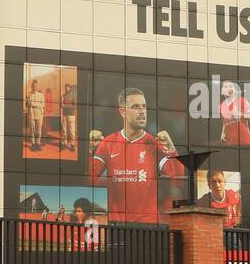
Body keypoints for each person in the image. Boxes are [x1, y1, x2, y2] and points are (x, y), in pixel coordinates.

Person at [90, 87, 185, 224]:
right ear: (122, 111)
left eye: (144, 106)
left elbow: (178, 180)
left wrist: (171, 150)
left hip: (147, 224)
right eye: (136, 107)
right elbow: (89, 181)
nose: (142, 112)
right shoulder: (108, 142)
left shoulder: (154, 143)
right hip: (116, 224)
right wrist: (88, 151)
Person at [219, 80, 250, 146]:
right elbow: (225, 122)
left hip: (246, 143)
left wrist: (241, 115)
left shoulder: (242, 101)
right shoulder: (221, 106)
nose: (229, 88)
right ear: (222, 91)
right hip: (231, 144)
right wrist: (222, 133)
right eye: (226, 87)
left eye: (231, 86)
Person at [25, 79, 46, 152]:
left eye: (36, 86)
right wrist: (27, 99)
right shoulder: (29, 94)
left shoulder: (41, 95)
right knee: (32, 131)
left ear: (37, 86)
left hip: (39, 115)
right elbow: (27, 105)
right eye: (33, 85)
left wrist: (33, 104)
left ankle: (38, 143)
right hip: (31, 115)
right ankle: (33, 144)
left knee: (38, 131)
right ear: (32, 86)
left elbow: (43, 105)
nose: (35, 87)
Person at [60, 84, 78, 152]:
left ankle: (73, 145)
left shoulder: (73, 95)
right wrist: (61, 103)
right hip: (64, 114)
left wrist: (66, 106)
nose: (66, 89)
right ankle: (64, 143)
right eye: (65, 88)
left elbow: (74, 106)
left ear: (70, 88)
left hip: (71, 115)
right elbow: (61, 106)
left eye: (68, 87)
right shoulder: (63, 96)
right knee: (64, 130)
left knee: (71, 130)